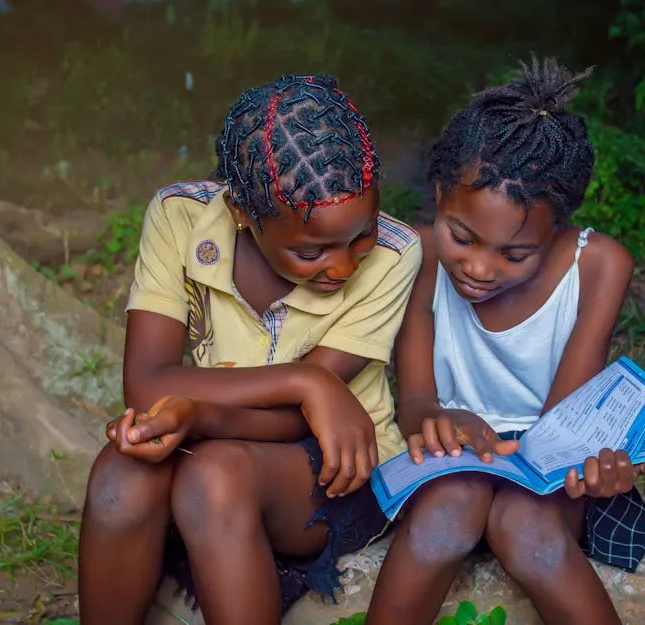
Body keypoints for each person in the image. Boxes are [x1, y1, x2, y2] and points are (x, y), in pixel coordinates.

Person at [77, 73, 421, 625]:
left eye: (360, 236)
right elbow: (145, 383)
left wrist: (199, 413)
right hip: (218, 436)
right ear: (242, 212)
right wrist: (307, 381)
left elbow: (296, 423)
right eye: (313, 251)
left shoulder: (395, 253)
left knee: (214, 476)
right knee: (121, 474)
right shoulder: (179, 218)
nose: (344, 265)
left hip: (337, 470)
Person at [364, 57, 645, 625]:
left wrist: (598, 467)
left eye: (514, 254)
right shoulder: (418, 256)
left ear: (557, 232)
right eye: (462, 235)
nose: (478, 268)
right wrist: (444, 420)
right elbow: (416, 404)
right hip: (451, 462)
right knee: (448, 513)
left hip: (544, 472)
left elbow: (564, 431)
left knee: (526, 529)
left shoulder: (596, 266)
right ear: (439, 195)